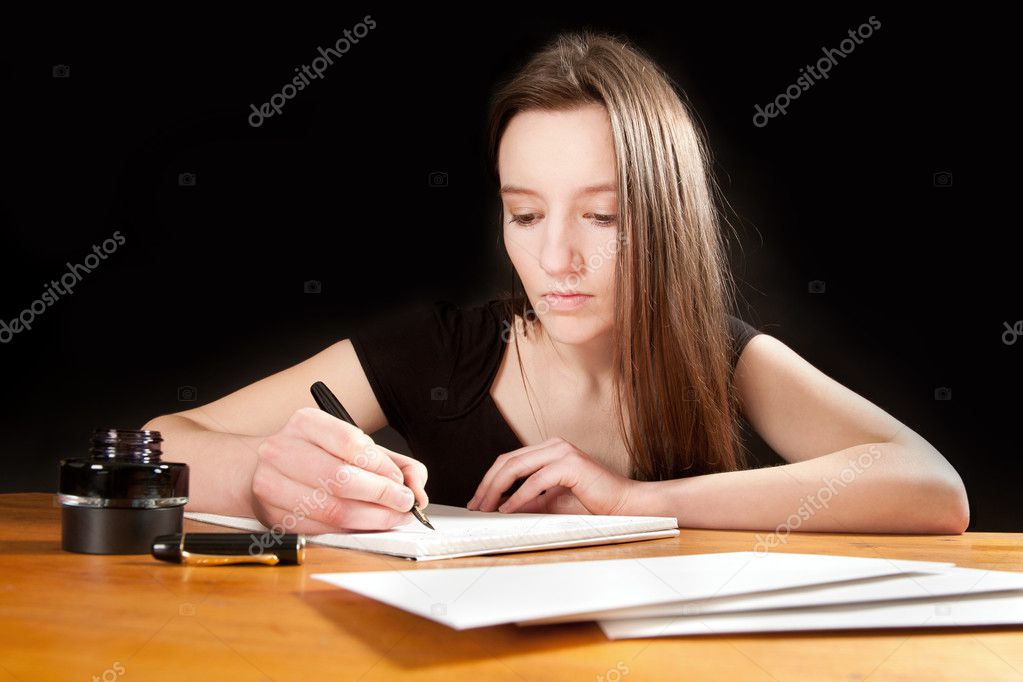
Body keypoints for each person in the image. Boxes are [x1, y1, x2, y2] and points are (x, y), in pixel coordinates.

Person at [143, 31, 969, 535]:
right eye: (526, 215)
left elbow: (932, 490)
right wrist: (266, 471)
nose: (556, 260)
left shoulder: (718, 357)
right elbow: (156, 445)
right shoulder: (435, 350)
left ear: (666, 218)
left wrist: (627, 501)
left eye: (603, 218)